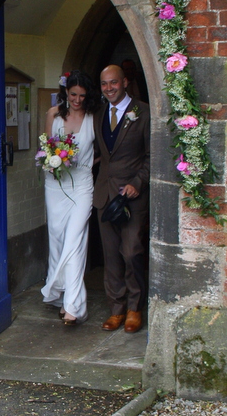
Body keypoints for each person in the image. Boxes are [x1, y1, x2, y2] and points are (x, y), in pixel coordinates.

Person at [93, 64, 150, 334]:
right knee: (111, 256)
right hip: (105, 194)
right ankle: (116, 309)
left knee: (131, 252)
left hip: (132, 198)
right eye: (104, 84)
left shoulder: (143, 112)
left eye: (113, 83)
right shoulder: (99, 114)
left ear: (125, 82)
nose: (109, 89)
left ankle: (134, 308)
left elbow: (153, 155)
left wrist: (138, 183)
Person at [41, 70, 100, 325]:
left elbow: (105, 150)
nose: (77, 100)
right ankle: (59, 295)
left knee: (75, 240)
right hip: (55, 184)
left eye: (82, 96)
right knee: (57, 240)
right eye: (73, 94)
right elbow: (44, 148)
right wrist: (56, 160)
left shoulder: (93, 117)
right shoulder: (54, 116)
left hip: (82, 185)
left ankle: (74, 306)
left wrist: (86, 164)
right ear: (66, 92)